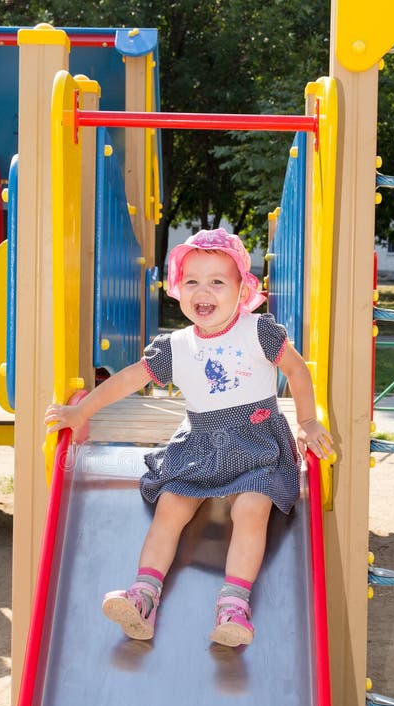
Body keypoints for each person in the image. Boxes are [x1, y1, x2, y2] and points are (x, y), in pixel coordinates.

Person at [45, 228, 333, 648]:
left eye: (218, 282)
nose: (204, 291)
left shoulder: (259, 332)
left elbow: (297, 370)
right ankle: (144, 594)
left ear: (242, 290)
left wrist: (307, 423)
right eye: (192, 281)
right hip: (200, 447)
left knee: (252, 509)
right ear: (179, 290)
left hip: (257, 447)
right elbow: (128, 380)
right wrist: (82, 409)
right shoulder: (175, 347)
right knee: (171, 506)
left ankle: (234, 604)